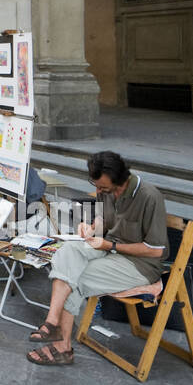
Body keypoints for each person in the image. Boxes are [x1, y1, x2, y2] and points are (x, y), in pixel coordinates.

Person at [27, 151, 167, 366]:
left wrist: (110, 245)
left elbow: (155, 250)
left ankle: (62, 347)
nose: (98, 191)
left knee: (76, 279)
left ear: (120, 179)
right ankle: (52, 322)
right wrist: (90, 228)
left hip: (139, 264)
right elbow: (106, 222)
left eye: (102, 187)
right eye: (97, 187)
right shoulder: (107, 190)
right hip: (109, 248)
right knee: (67, 252)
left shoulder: (149, 196)